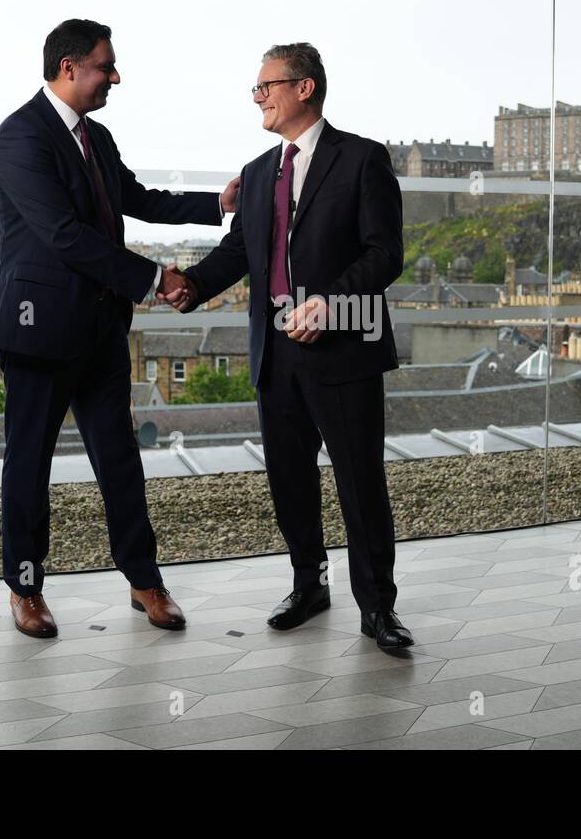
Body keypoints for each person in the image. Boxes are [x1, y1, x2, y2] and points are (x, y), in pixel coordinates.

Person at [0, 18, 238, 638]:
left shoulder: (95, 137)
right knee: (29, 466)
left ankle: (144, 580)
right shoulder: (19, 137)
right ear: (70, 67)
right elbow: (65, 236)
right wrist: (158, 281)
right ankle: (25, 587)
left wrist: (219, 204)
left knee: (120, 459)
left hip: (99, 329)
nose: (115, 78)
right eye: (106, 66)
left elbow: (140, 199)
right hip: (38, 331)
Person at [168, 43, 413, 649]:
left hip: (345, 346)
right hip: (275, 354)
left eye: (265, 86)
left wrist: (329, 303)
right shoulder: (256, 173)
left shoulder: (362, 159)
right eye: (255, 89)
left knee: (360, 482)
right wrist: (191, 285)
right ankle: (310, 584)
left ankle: (378, 608)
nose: (258, 97)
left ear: (304, 88)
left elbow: (385, 253)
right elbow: (239, 252)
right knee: (290, 480)